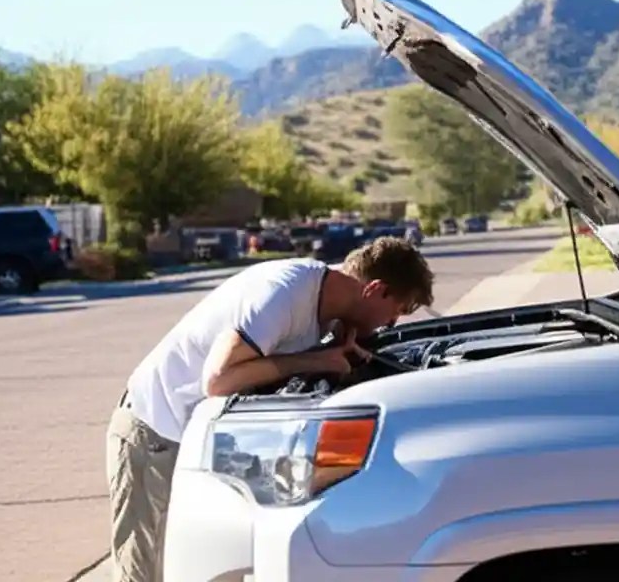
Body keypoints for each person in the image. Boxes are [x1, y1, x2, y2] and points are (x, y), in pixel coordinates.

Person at [105, 236, 434, 581]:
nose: (393, 324)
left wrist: (337, 343)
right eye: (399, 310)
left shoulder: (325, 309)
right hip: (155, 433)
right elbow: (218, 380)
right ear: (376, 289)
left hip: (197, 441)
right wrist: (317, 359)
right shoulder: (283, 294)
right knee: (143, 575)